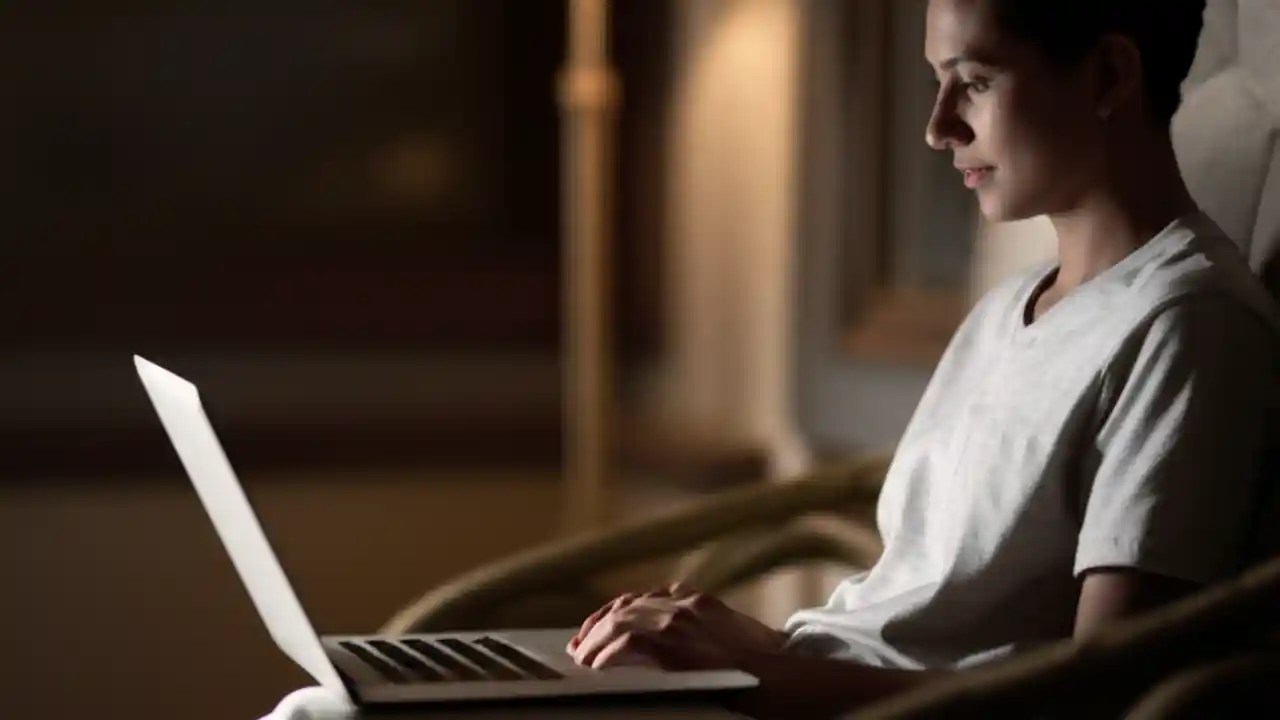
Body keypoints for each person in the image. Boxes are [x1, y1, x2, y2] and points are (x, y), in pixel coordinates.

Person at [565, 0, 1280, 716]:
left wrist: (753, 674)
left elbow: (1093, 692)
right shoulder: (1006, 312)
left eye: (973, 81)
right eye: (937, 81)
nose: (938, 128)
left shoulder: (1186, 325)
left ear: (1109, 75)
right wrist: (751, 646)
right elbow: (919, 617)